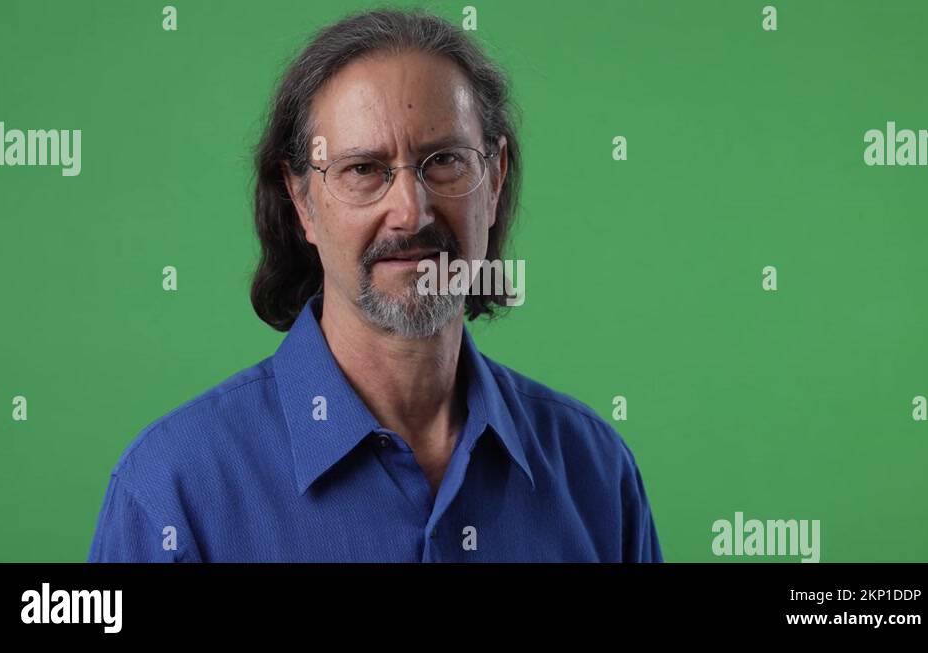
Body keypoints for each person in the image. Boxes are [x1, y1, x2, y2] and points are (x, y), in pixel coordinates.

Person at [87, 8, 663, 563]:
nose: (410, 212)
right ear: (302, 203)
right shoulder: (172, 490)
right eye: (363, 169)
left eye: (444, 160)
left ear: (494, 180)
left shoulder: (597, 477)